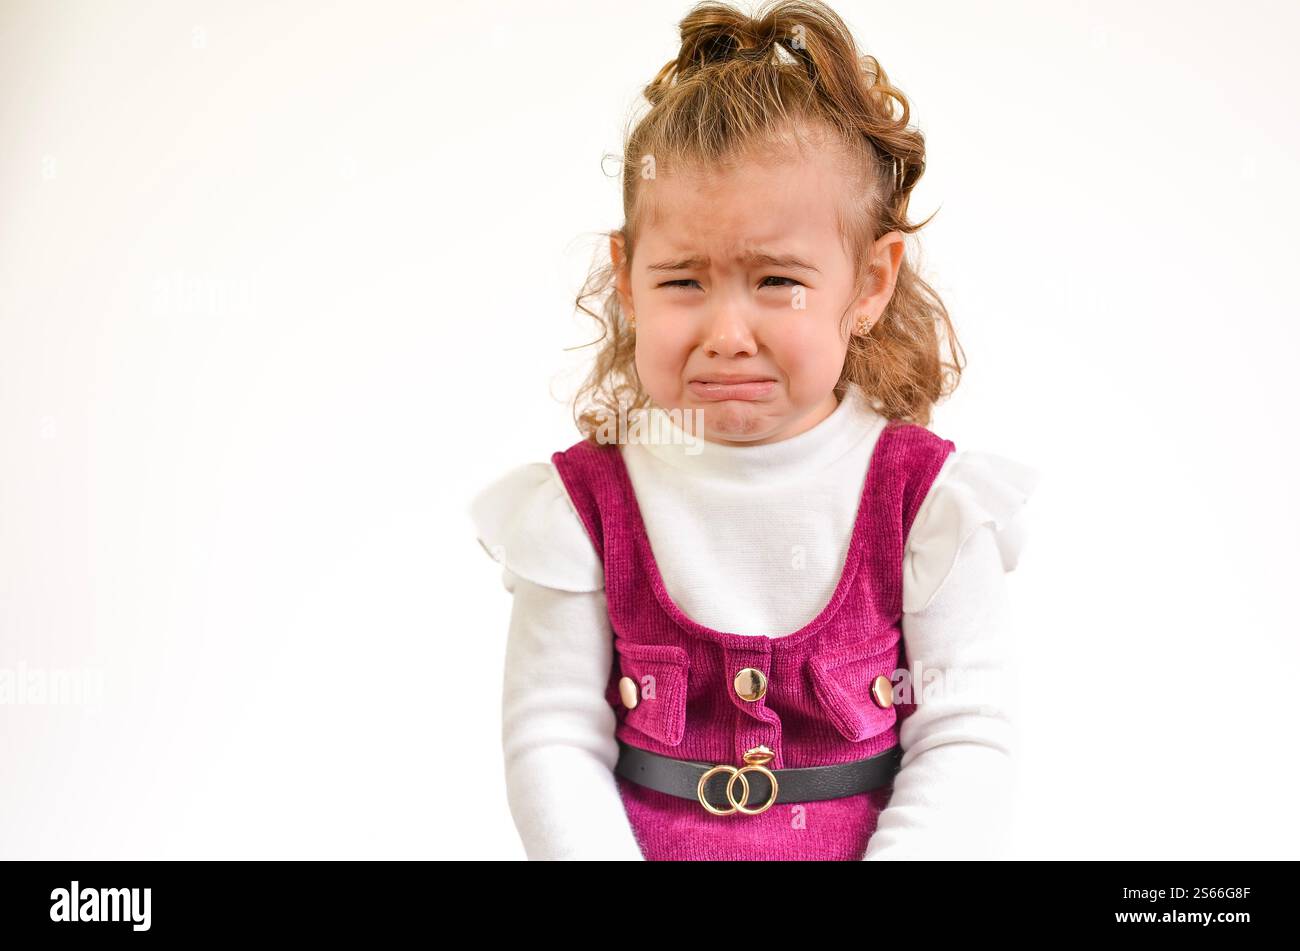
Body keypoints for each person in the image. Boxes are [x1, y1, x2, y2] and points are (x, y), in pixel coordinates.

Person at [469, 0, 1040, 860]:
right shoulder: (581, 508)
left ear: (872, 281)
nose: (727, 330)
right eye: (683, 282)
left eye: (777, 280)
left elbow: (966, 739)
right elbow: (552, 738)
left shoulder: (928, 505)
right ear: (626, 279)